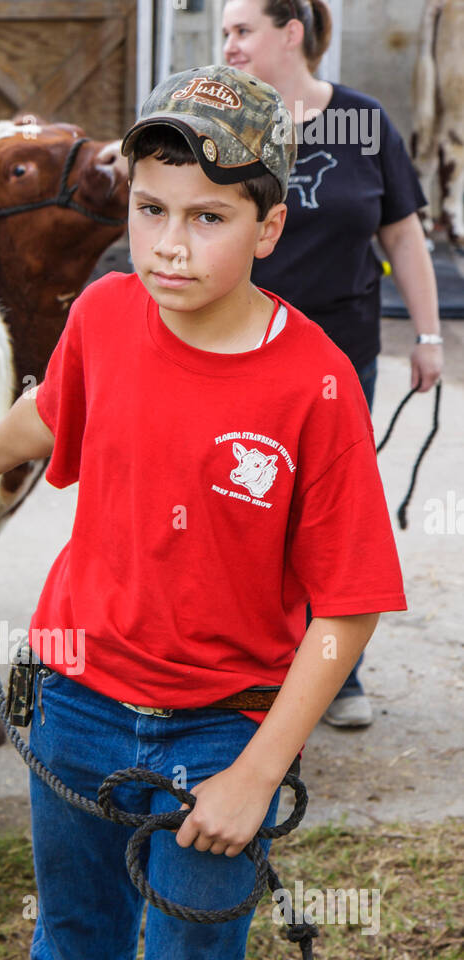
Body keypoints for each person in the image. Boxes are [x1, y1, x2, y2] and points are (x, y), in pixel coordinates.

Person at [0, 65, 407, 960]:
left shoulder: (310, 386)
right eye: (149, 209)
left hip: (220, 737)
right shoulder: (99, 315)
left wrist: (256, 772)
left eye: (205, 217)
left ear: (267, 227)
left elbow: (346, 605)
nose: (168, 244)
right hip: (79, 703)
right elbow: (58, 408)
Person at [223, 0, 442, 728]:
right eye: (226, 32)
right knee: (243, 504)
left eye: (242, 30)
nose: (230, 45)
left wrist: (429, 335)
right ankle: (243, 666)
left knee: (328, 512)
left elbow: (404, 236)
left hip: (340, 357)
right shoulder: (227, 121)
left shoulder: (364, 123)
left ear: (292, 34)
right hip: (236, 352)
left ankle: (335, 673)